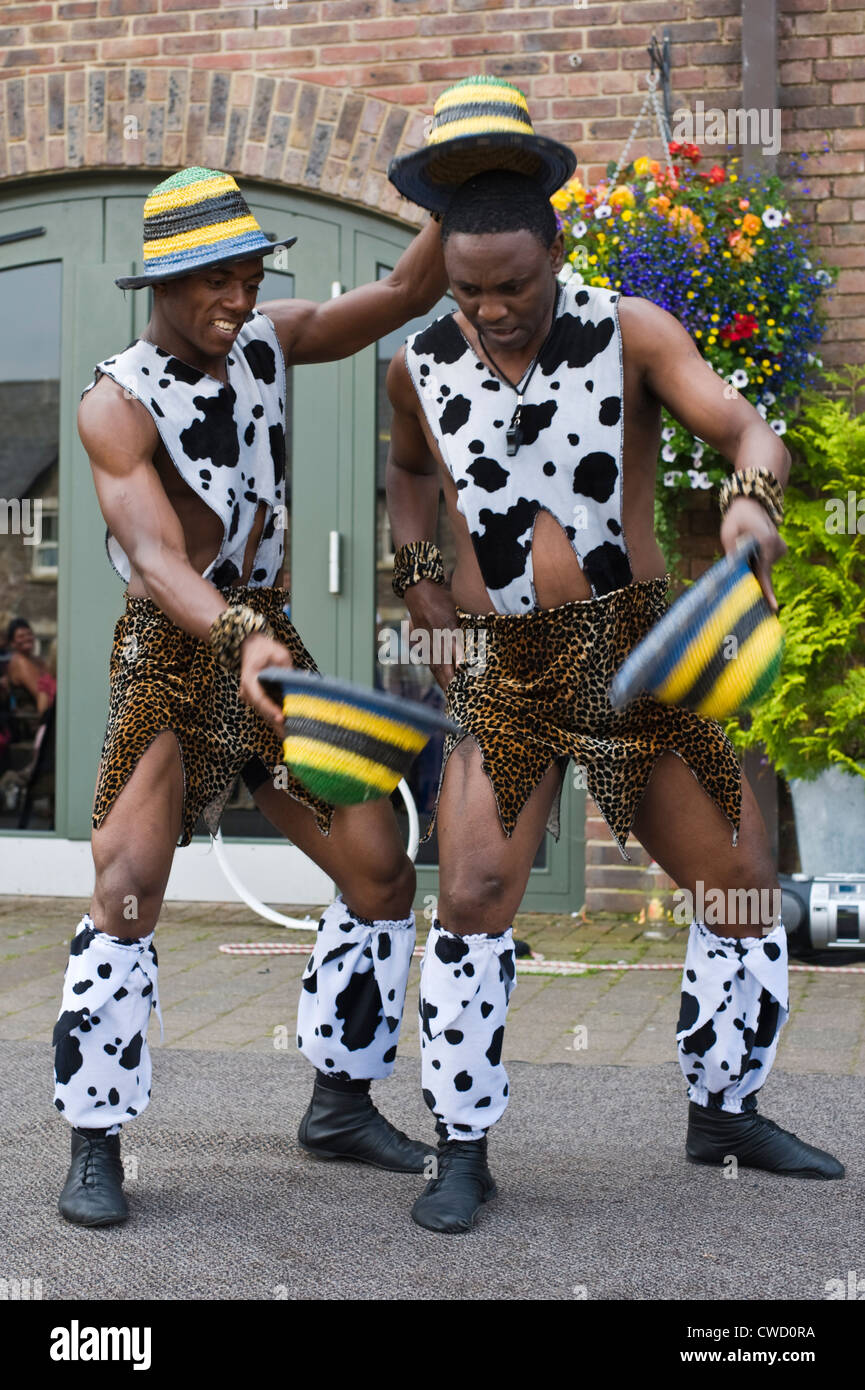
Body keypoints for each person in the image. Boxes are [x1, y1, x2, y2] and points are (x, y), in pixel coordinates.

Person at [385, 165, 844, 1234]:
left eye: (512, 286)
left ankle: (725, 1110)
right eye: (468, 292)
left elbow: (750, 430)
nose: (491, 311)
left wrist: (750, 511)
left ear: (555, 253)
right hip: (507, 662)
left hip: (635, 646)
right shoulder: (417, 365)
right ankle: (460, 1146)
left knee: (736, 878)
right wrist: (417, 580)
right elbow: (407, 473)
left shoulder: (629, 329)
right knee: (471, 894)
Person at [52, 166, 449, 1227]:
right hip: (177, 651)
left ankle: (339, 1100)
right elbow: (151, 550)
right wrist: (235, 632)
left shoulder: (266, 341)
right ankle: (95, 1137)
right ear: (166, 283)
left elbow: (407, 297)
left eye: (248, 277)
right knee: (128, 888)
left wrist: (463, 191)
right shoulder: (114, 400)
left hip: (270, 639)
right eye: (218, 283)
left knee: (378, 872)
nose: (239, 298)